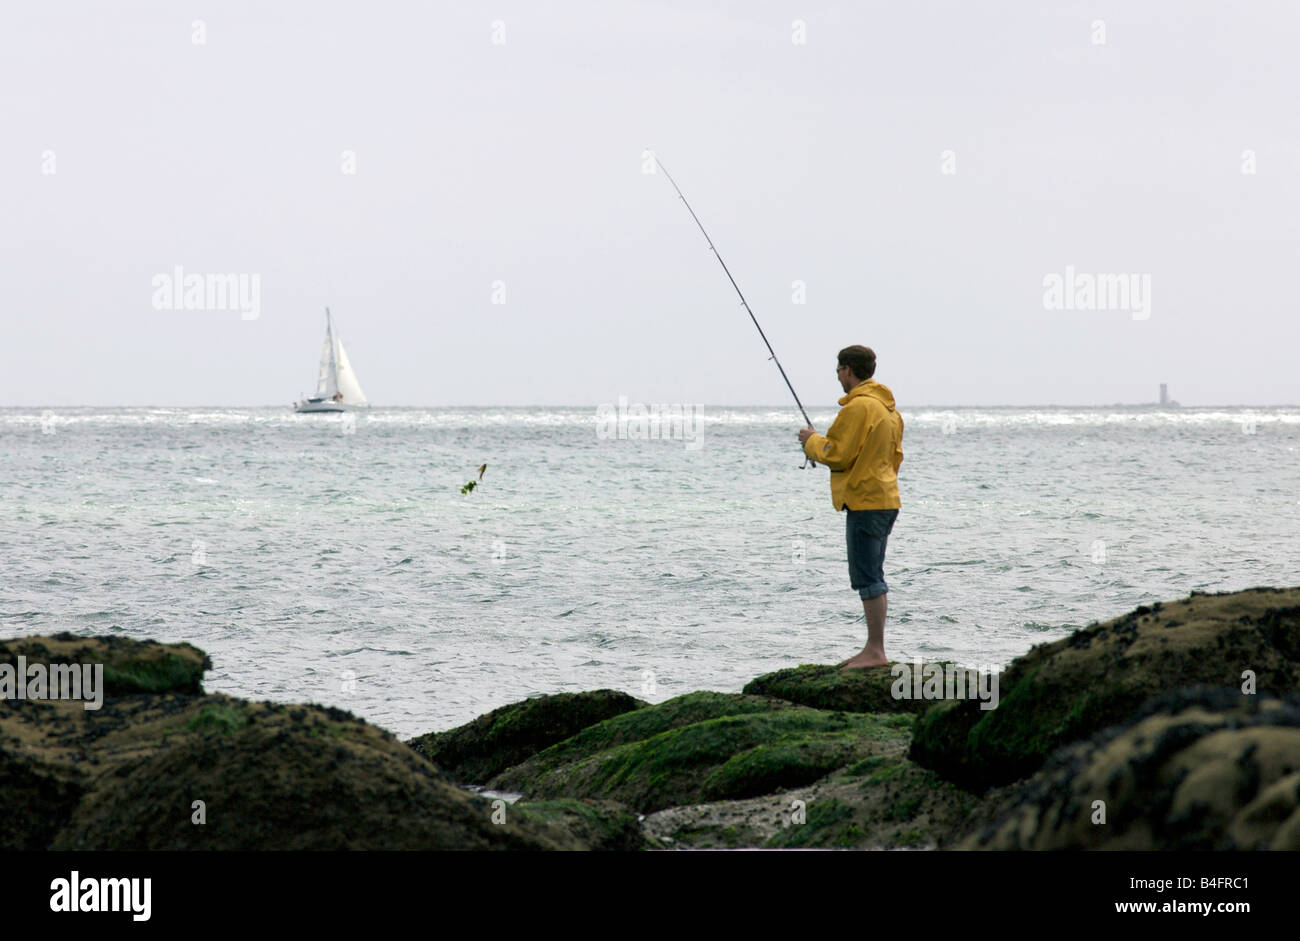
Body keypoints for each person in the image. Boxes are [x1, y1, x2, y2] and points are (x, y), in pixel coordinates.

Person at [797, 345, 904, 670]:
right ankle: (875, 648)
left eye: (838, 369)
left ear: (848, 370)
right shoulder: (888, 410)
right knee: (874, 574)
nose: (837, 375)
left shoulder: (859, 408)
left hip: (865, 501)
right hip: (886, 498)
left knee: (867, 576)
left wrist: (811, 441)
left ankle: (874, 651)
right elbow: (894, 456)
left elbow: (837, 454)